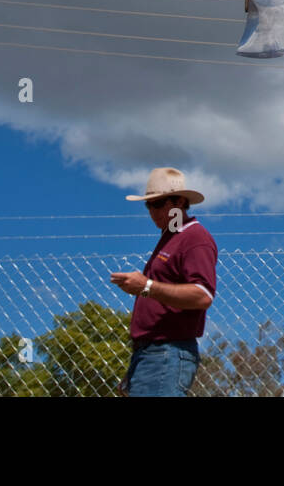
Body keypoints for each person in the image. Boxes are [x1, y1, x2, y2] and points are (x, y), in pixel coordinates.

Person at [110, 167, 218, 396]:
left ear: (179, 202)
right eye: (148, 205)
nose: (152, 211)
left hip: (167, 352)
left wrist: (147, 287)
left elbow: (203, 295)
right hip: (151, 354)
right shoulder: (171, 238)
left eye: (158, 204)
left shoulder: (194, 237)